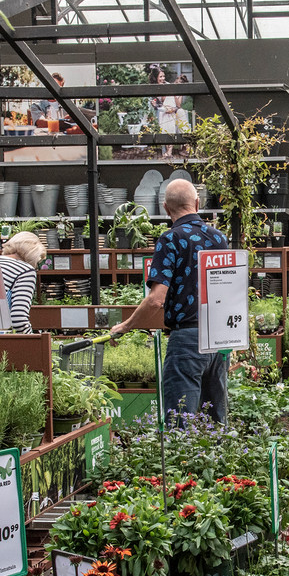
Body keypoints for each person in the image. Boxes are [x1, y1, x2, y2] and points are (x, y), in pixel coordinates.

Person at [111, 179, 229, 424]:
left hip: (187, 339)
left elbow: (155, 300)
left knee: (180, 422)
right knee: (215, 420)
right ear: (197, 203)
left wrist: (125, 326)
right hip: (219, 337)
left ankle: (185, 463)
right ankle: (218, 462)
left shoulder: (170, 239)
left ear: (165, 208)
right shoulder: (219, 239)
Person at [0, 231, 46, 335]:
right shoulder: (25, 270)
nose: (36, 266)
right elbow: (19, 319)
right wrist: (33, 343)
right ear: (33, 255)